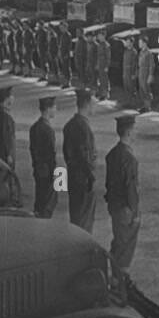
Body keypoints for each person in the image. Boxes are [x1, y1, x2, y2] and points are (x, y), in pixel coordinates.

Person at [106, 115, 140, 285]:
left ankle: (114, 275)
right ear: (128, 132)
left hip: (114, 206)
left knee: (118, 240)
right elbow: (131, 187)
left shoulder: (112, 154)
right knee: (126, 243)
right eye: (134, 129)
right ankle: (120, 280)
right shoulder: (129, 158)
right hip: (125, 208)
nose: (135, 133)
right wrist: (135, 211)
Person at [63, 88, 97, 233]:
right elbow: (85, 156)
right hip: (83, 180)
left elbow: (66, 152)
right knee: (85, 218)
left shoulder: (69, 125)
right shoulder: (83, 127)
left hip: (72, 176)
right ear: (87, 104)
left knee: (76, 214)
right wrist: (91, 175)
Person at [29, 97, 58, 218]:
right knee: (48, 202)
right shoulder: (48, 130)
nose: (56, 109)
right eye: (54, 107)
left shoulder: (34, 127)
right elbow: (51, 154)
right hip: (48, 171)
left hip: (38, 168)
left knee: (40, 199)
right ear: (48, 109)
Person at [0, 86, 16, 170]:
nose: (13, 99)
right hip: (4, 154)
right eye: (11, 97)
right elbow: (5, 136)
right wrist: (8, 154)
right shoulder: (5, 117)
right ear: (7, 99)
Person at [137, 37, 154, 113]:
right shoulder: (141, 52)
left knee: (146, 89)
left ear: (145, 43)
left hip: (146, 73)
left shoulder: (149, 53)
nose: (139, 44)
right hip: (141, 72)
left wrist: (150, 75)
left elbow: (152, 65)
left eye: (140, 43)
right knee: (141, 90)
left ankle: (148, 107)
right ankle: (144, 105)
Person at [122, 35, 138, 107]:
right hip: (125, 72)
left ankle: (133, 103)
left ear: (132, 43)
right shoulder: (126, 51)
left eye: (129, 42)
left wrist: (134, 73)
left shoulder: (134, 52)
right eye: (127, 42)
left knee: (132, 88)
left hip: (131, 72)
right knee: (126, 88)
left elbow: (135, 63)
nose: (127, 43)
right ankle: (128, 102)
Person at [96, 30, 111, 100]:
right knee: (101, 79)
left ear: (103, 36)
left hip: (104, 64)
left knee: (104, 79)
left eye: (99, 36)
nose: (98, 37)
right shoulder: (99, 44)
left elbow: (108, 57)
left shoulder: (106, 45)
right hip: (100, 64)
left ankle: (105, 94)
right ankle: (102, 92)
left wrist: (107, 66)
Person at [58, 21, 72, 88]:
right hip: (62, 54)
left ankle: (67, 82)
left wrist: (67, 54)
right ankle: (65, 82)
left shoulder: (68, 35)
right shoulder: (62, 35)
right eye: (60, 28)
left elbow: (69, 46)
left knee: (66, 68)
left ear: (66, 27)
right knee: (63, 68)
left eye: (62, 27)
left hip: (66, 54)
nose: (61, 29)